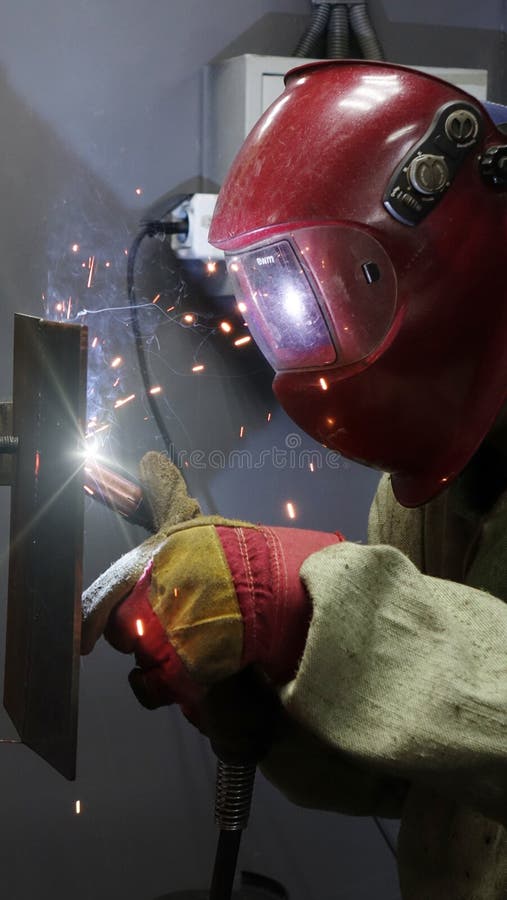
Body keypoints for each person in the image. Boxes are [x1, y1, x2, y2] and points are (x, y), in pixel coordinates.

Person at [82, 61, 507, 899]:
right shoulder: (425, 484)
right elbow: (433, 760)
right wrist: (272, 687)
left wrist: (305, 599)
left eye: (335, 282)